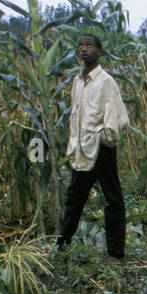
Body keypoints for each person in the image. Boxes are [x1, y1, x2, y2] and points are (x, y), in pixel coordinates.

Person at [58, 34, 130, 263]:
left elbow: (118, 116)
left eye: (89, 45)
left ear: (99, 51)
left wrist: (103, 135)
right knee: (74, 198)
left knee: (112, 200)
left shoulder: (105, 81)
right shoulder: (78, 81)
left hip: (101, 148)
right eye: (80, 45)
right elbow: (75, 115)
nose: (84, 49)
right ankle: (62, 245)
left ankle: (115, 254)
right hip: (82, 148)